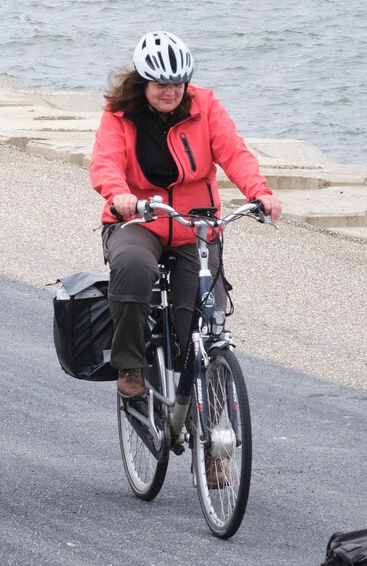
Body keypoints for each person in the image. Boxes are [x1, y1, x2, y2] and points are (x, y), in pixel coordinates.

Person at [87, 32, 281, 403]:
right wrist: (119, 194)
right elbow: (105, 161)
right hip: (138, 219)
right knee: (133, 266)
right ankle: (131, 365)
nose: (171, 91)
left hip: (196, 224)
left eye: (178, 83)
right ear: (143, 82)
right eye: (161, 84)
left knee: (202, 326)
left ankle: (211, 425)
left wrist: (259, 192)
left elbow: (234, 152)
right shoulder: (119, 113)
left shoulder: (205, 105)